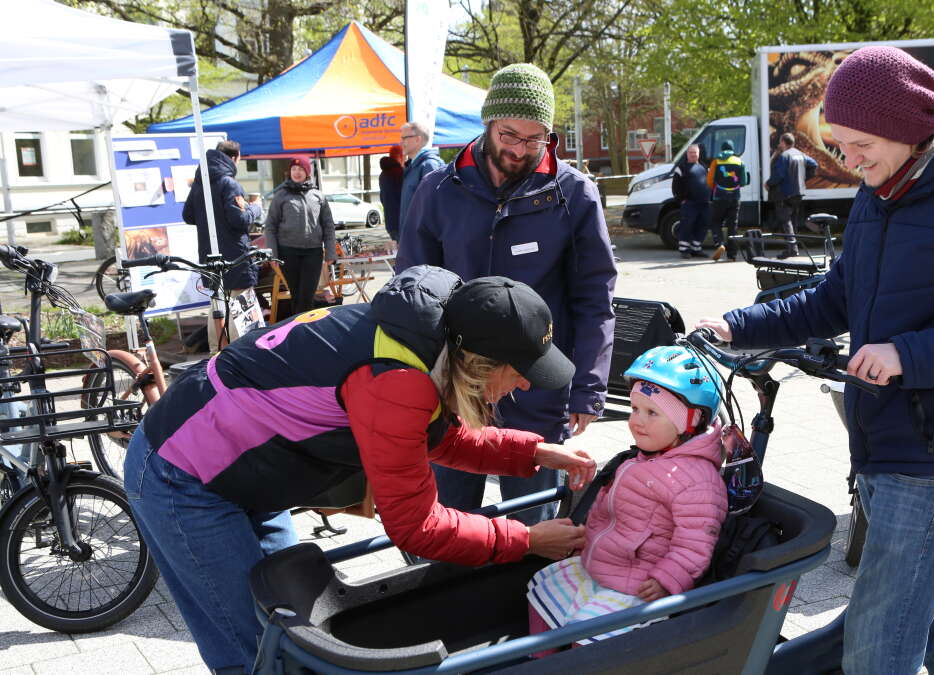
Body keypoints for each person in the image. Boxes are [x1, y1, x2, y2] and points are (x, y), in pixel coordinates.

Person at [696, 45, 934, 674]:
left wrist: (906, 356)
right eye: (839, 142)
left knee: (875, 649)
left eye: (861, 142)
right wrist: (737, 326)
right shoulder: (879, 193)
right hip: (885, 438)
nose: (848, 158)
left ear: (911, 130)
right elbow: (837, 297)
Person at [124, 266, 597, 673]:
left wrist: (535, 453)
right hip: (182, 475)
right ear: (476, 361)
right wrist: (527, 540)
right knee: (254, 649)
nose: (523, 385)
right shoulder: (397, 380)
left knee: (300, 632)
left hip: (247, 470)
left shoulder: (426, 337)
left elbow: (437, 437)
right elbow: (418, 526)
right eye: (518, 372)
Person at [399, 63, 617, 526]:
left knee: (531, 525)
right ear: (487, 124)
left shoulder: (573, 192)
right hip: (453, 386)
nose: (520, 150)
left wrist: (588, 388)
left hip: (534, 388)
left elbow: (595, 297)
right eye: (510, 135)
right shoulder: (439, 189)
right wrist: (408, 380)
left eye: (535, 139)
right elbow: (411, 289)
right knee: (446, 523)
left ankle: (523, 596)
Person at [526, 345, 727, 650]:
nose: (637, 421)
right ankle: (540, 661)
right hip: (600, 563)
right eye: (634, 409)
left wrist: (668, 579)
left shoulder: (696, 480)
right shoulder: (641, 458)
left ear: (690, 420)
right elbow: (607, 510)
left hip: (639, 583)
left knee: (591, 632)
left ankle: (579, 666)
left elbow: (696, 541)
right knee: (544, 588)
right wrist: (586, 537)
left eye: (652, 413)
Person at [183, 139, 263, 352]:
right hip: (234, 255)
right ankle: (243, 354)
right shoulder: (229, 183)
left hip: (209, 253)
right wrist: (254, 209)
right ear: (236, 157)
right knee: (240, 303)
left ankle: (215, 353)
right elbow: (239, 220)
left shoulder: (201, 181)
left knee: (217, 303)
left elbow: (188, 215)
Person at [263, 156, 336, 317]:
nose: (296, 172)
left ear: (307, 172)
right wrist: (273, 254)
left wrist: (330, 251)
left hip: (313, 253)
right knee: (297, 295)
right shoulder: (281, 195)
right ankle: (299, 331)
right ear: (289, 172)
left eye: (301, 169)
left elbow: (328, 226)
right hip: (288, 253)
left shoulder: (318, 196)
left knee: (307, 295)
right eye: (294, 169)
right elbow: (270, 227)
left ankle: (302, 330)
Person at [766, 132, 819, 258]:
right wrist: (803, 178)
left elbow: (779, 175)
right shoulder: (800, 154)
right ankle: (793, 248)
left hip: (786, 193)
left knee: (785, 221)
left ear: (784, 142)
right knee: (793, 221)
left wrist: (768, 183)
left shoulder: (784, 156)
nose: (779, 144)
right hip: (798, 193)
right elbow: (814, 165)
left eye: (780, 142)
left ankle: (792, 249)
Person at [396, 121, 445, 237]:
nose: (400, 142)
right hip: (413, 241)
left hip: (423, 243)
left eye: (404, 138)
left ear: (417, 139)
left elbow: (434, 209)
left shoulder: (429, 165)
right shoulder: (414, 166)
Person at [707, 139, 749, 261]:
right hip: (735, 197)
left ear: (722, 149)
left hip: (719, 197)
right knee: (733, 225)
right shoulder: (739, 161)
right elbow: (744, 181)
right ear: (732, 149)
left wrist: (715, 187)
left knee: (716, 221)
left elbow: (709, 180)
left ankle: (719, 244)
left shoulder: (716, 161)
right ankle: (732, 255)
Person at [670, 144, 711, 258]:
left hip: (704, 203)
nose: (693, 154)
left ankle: (696, 248)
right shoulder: (681, 167)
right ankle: (684, 249)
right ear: (687, 154)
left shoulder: (703, 166)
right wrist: (680, 200)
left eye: (695, 152)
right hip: (689, 203)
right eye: (691, 152)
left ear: (698, 154)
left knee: (703, 225)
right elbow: (675, 186)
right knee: (687, 225)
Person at [379, 145, 405, 243]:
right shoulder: (400, 173)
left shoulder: (383, 174)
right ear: (401, 156)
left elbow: (382, 198)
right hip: (401, 221)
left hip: (390, 221)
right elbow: (406, 197)